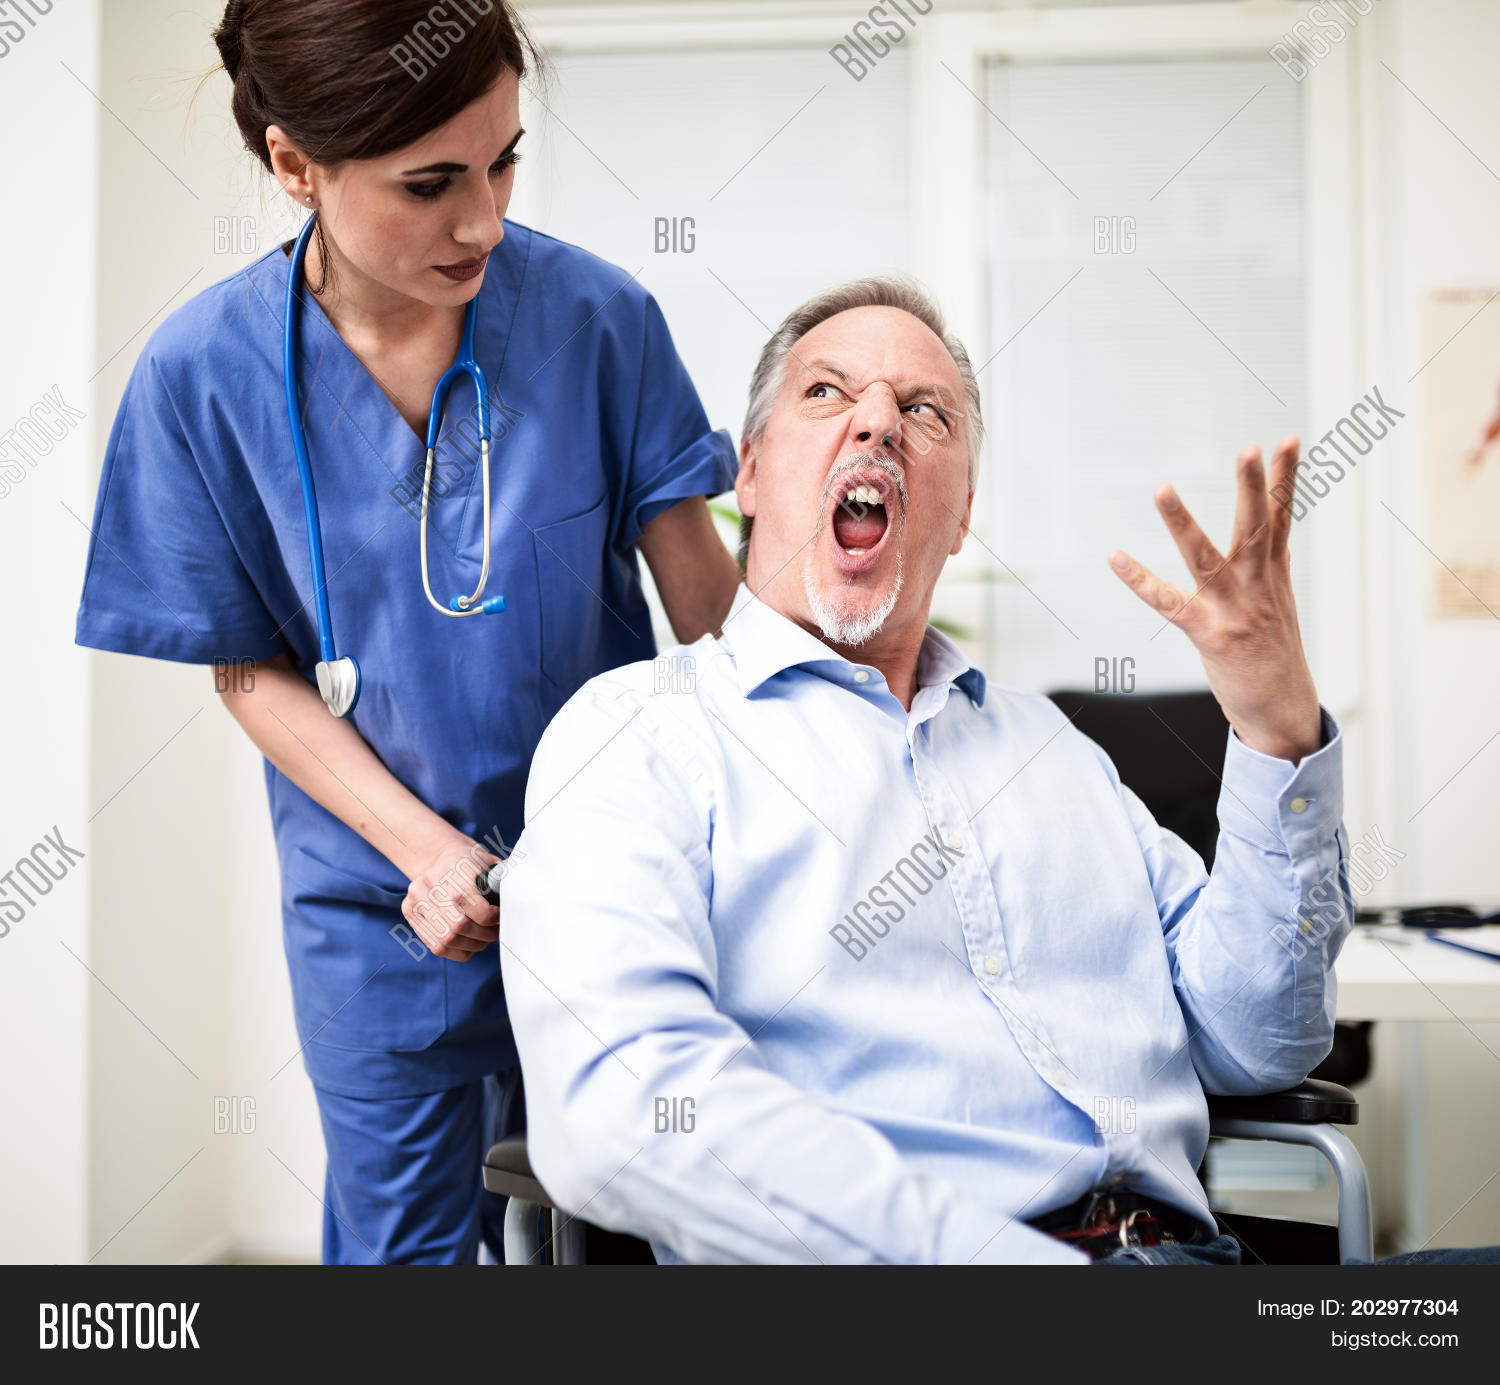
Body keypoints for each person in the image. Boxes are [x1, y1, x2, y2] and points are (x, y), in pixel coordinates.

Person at [499, 276, 1500, 1266]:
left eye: (924, 410)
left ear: (965, 506)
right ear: (750, 471)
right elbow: (630, 1101)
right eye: (829, 393)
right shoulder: (640, 734)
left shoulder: (1055, 753)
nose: (880, 423)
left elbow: (1260, 1039)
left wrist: (1276, 726)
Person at [73, 0, 740, 1265]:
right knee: (405, 1258)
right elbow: (247, 662)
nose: (483, 219)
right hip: (374, 903)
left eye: (504, 163)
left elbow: (710, 615)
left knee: (641, 1231)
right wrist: (428, 851)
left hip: (614, 882)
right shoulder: (199, 373)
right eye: (431, 183)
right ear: (293, 167)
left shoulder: (597, 319)